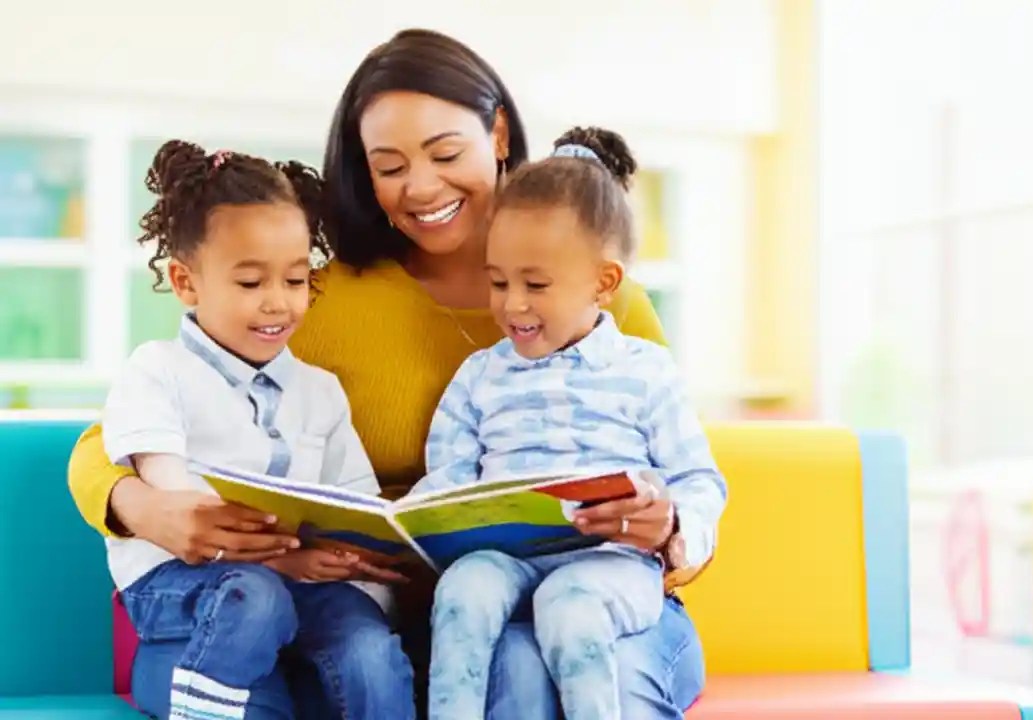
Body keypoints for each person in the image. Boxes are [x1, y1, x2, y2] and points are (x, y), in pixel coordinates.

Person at [67, 29, 708, 719]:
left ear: (497, 134)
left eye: (444, 153)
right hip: (428, 608)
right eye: (389, 165)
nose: (421, 186)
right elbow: (112, 439)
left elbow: (689, 481)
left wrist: (669, 529)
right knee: (487, 667)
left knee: (547, 658)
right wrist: (146, 508)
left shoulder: (605, 297)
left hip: (608, 595)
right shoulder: (324, 295)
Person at [100, 140, 414, 720]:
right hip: (182, 583)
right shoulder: (157, 370)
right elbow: (180, 506)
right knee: (255, 599)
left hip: (297, 584)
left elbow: (357, 504)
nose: (278, 304)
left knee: (366, 644)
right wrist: (279, 563)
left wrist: (359, 550)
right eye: (250, 284)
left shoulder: (319, 390)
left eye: (295, 281)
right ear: (186, 282)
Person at [421, 127, 727, 720]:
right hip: (506, 556)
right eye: (499, 281)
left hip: (613, 565)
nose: (512, 305)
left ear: (603, 284)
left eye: (536, 285)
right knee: (463, 588)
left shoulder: (645, 370)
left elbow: (699, 479)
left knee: (570, 604)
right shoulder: (480, 376)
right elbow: (448, 483)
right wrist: (417, 523)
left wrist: (676, 526)